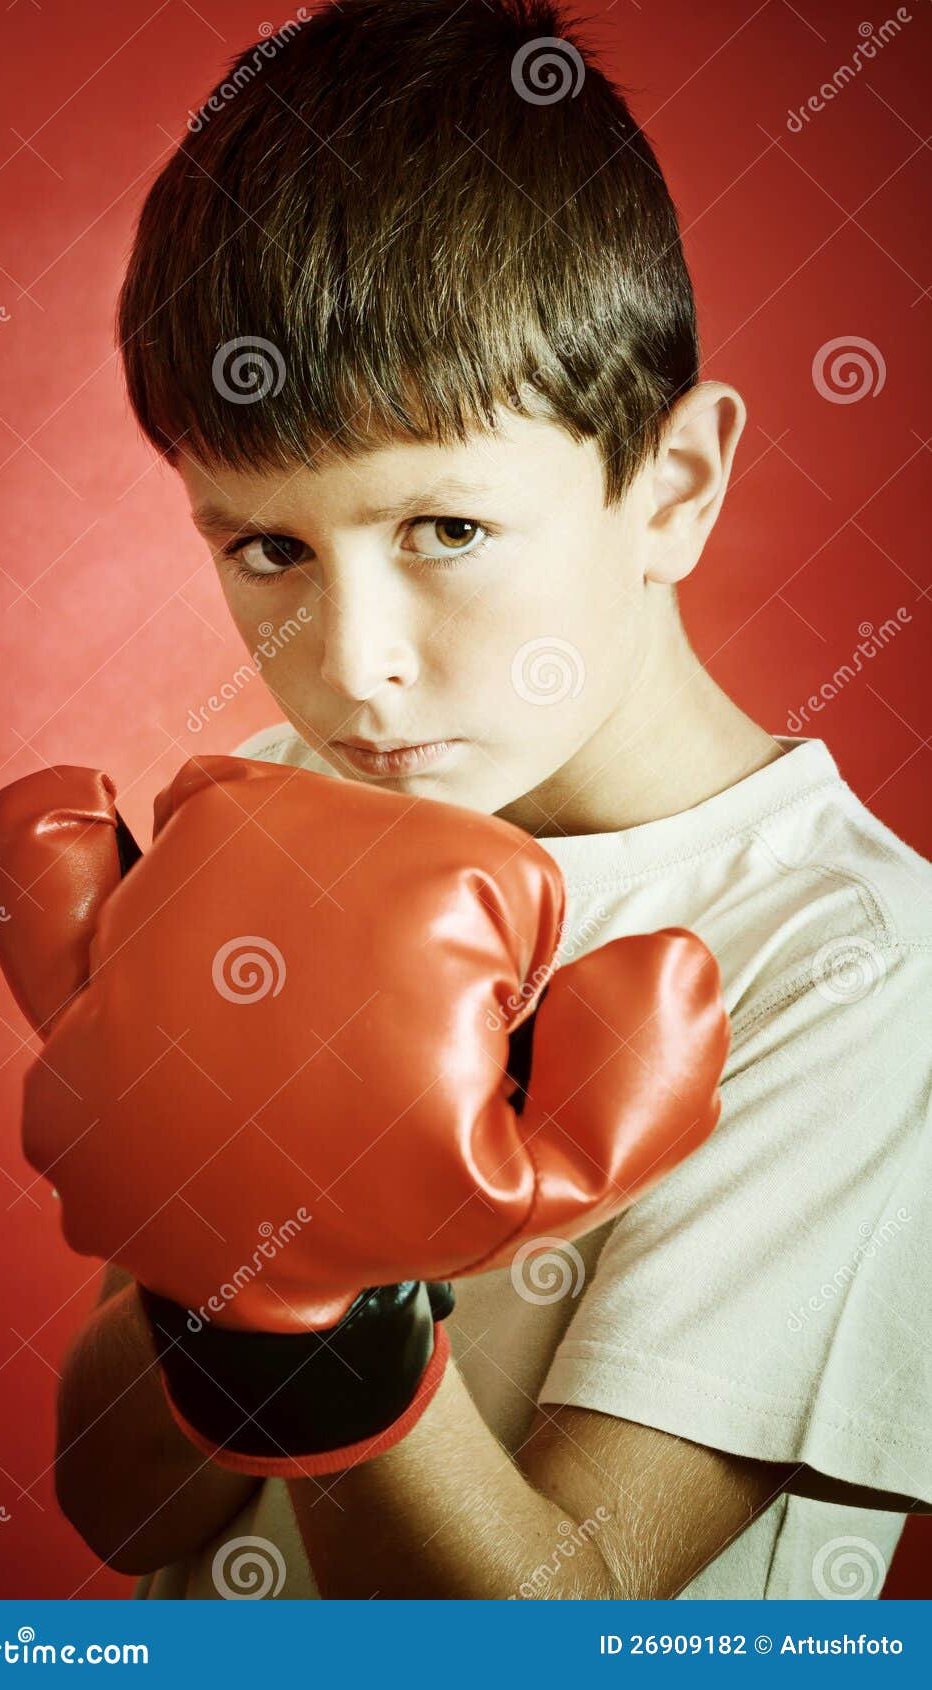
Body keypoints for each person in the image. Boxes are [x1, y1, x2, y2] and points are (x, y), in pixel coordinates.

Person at [52, 0, 932, 1598]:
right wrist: (220, 1270)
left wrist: (334, 1292)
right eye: (269, 548)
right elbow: (121, 1510)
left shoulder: (855, 962)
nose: (357, 666)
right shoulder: (260, 812)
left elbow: (563, 1624)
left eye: (445, 530)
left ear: (672, 488)